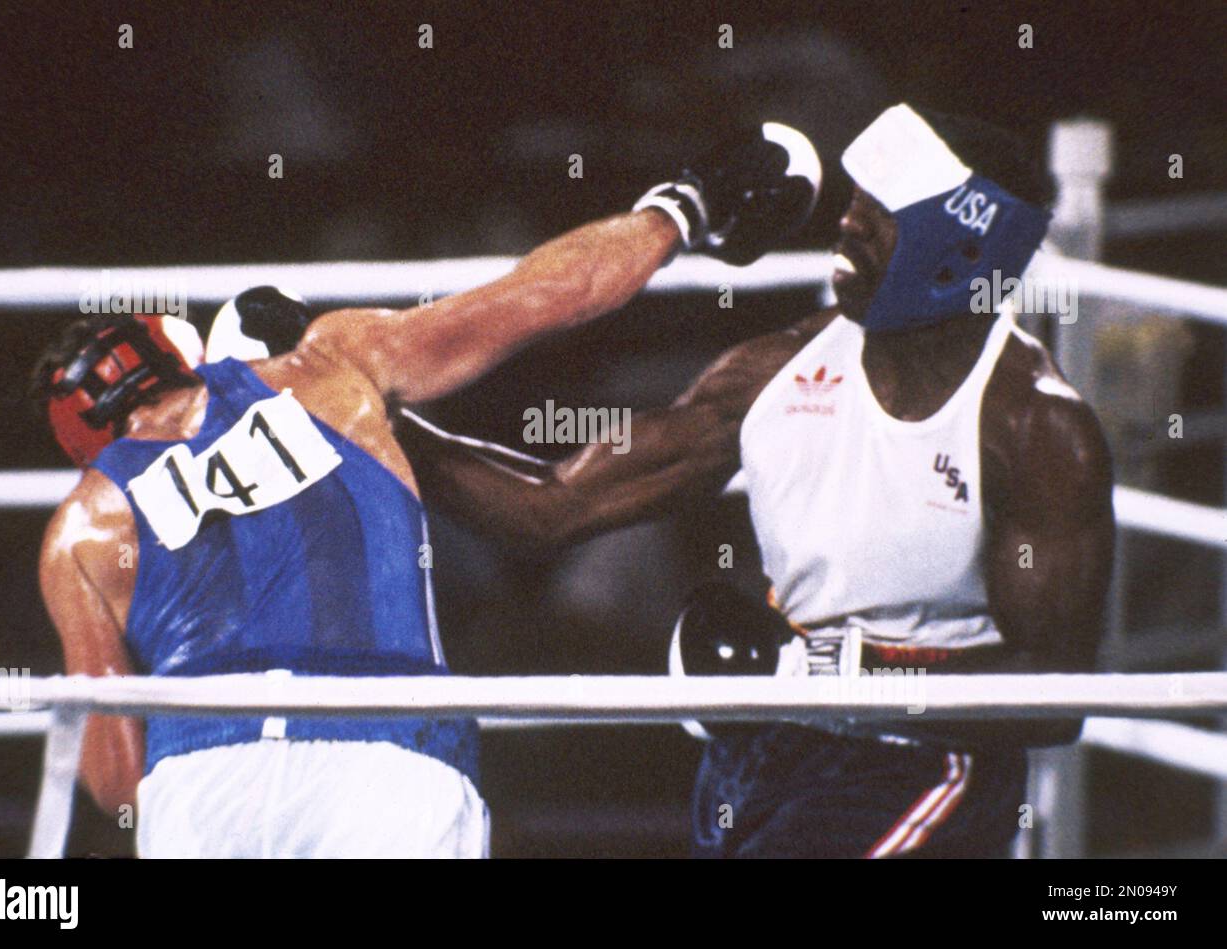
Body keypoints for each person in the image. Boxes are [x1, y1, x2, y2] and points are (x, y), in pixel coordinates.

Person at [31, 121, 821, 858]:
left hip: (203, 785)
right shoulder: (326, 366)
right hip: (384, 758)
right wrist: (683, 211)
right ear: (184, 354)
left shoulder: (80, 528)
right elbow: (549, 293)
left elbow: (113, 775)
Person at [400, 104, 1117, 858]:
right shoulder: (775, 373)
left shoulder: (1036, 429)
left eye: (884, 212)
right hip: (768, 745)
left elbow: (1055, 696)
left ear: (961, 243)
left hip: (926, 758)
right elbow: (550, 507)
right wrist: (368, 411)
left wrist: (836, 675)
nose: (848, 225)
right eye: (856, 201)